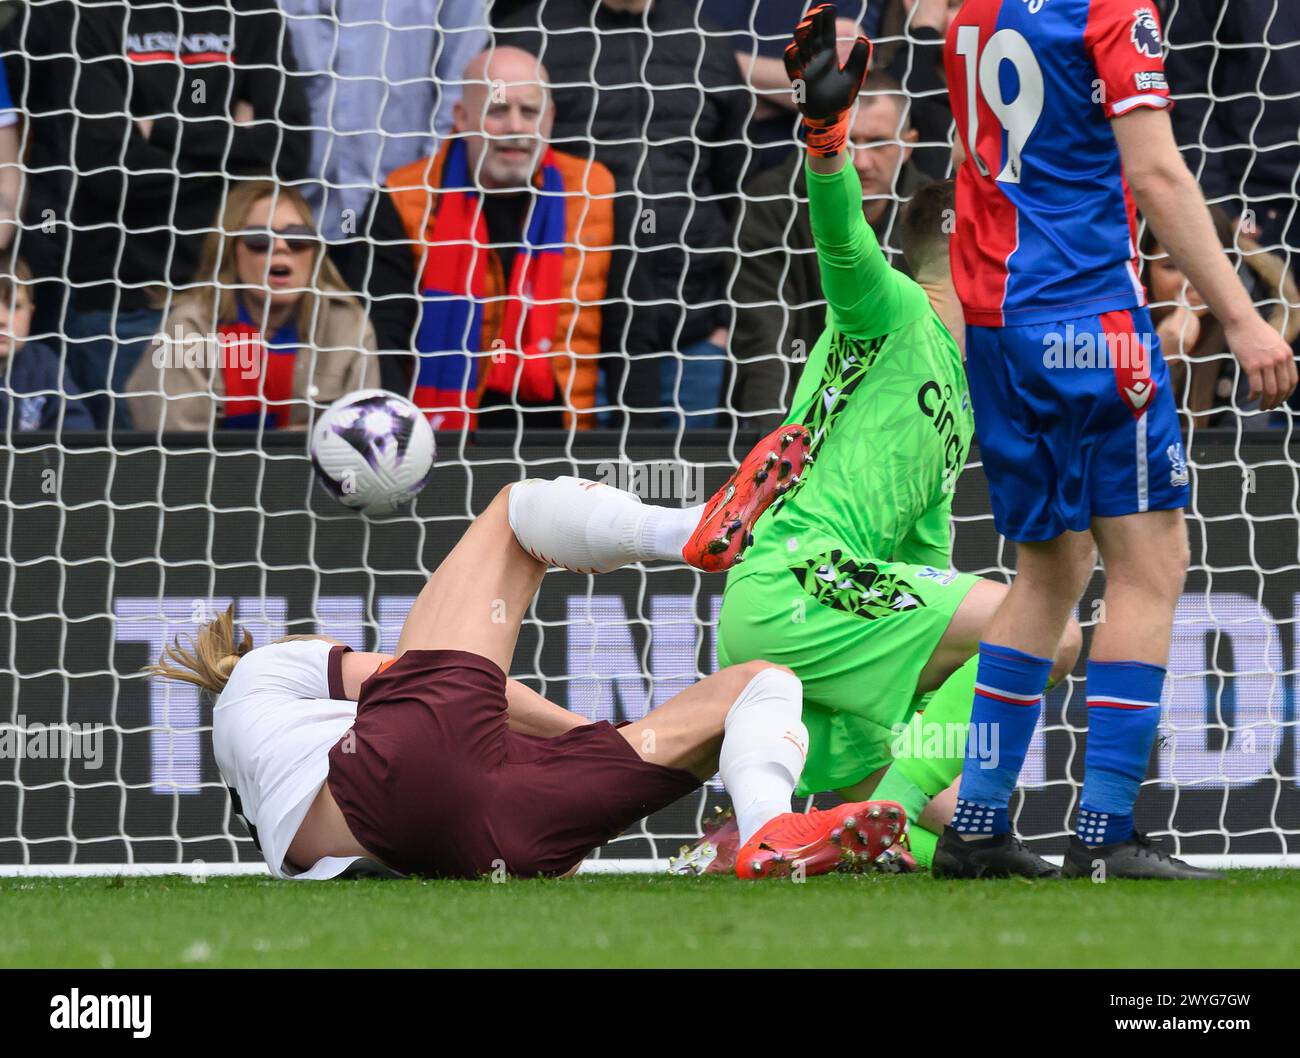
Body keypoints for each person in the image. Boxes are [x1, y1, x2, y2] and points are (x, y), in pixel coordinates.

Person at [673, 9, 1080, 879]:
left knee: (955, 803)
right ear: (972, 263)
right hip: (795, 577)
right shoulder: (890, 308)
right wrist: (825, 139)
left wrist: (943, 701)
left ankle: (805, 839)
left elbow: (924, 556)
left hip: (843, 609)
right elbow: (841, 237)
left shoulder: (966, 401)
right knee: (1048, 626)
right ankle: (884, 817)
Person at [146, 426, 908, 881]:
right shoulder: (265, 670)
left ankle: (766, 829)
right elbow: (400, 682)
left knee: (754, 685)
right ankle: (686, 528)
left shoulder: (264, 796)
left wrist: (595, 761)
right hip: (411, 778)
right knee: (514, 513)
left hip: (480, 840)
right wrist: (590, 739)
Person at [941, 0, 1295, 879]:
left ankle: (977, 827)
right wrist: (1245, 322)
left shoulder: (971, 11)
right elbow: (1158, 175)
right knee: (1150, 562)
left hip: (996, 322)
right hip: (1087, 319)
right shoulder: (1110, 9)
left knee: (1049, 568)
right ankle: (1105, 836)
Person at [6, 0, 311, 430]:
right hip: (127, 301)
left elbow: (291, 152)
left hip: (233, 300)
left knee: (238, 472)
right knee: (129, 477)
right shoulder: (91, 12)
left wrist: (160, 131)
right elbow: (110, 171)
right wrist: (237, 149)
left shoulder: (250, 8)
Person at [497, 0, 751, 429]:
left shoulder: (705, 40)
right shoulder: (530, 35)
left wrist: (723, 320)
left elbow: (736, 188)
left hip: (693, 334)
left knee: (687, 490)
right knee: (576, 492)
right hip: (573, 338)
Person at [337, 46, 614, 431]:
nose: (515, 127)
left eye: (529, 111)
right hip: (444, 440)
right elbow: (382, 337)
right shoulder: (403, 196)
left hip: (568, 435)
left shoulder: (595, 191)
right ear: (462, 118)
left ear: (550, 119)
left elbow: (628, 328)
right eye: (497, 111)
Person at [729, 70, 926, 430]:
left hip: (906, 416)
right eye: (850, 142)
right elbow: (764, 336)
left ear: (908, 144)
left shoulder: (932, 214)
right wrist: (775, 442)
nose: (862, 162)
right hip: (801, 409)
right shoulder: (774, 202)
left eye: (878, 143)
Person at [126, 183, 379, 432]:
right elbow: (180, 450)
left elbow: (362, 437)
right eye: (259, 239)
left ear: (314, 251)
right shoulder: (189, 327)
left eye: (298, 238)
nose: (281, 247)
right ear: (230, 253)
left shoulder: (347, 324)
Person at [1143, 206, 1300, 430]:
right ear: (1146, 268)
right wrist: (1156, 359)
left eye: (1202, 268)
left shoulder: (1255, 342)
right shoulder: (1119, 333)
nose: (1188, 282)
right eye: (1170, 266)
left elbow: (1246, 444)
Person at [0, 256, 92, 431]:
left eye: (14, 306)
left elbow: (76, 428)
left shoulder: (43, 362)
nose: (1, 319)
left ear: (31, 313)